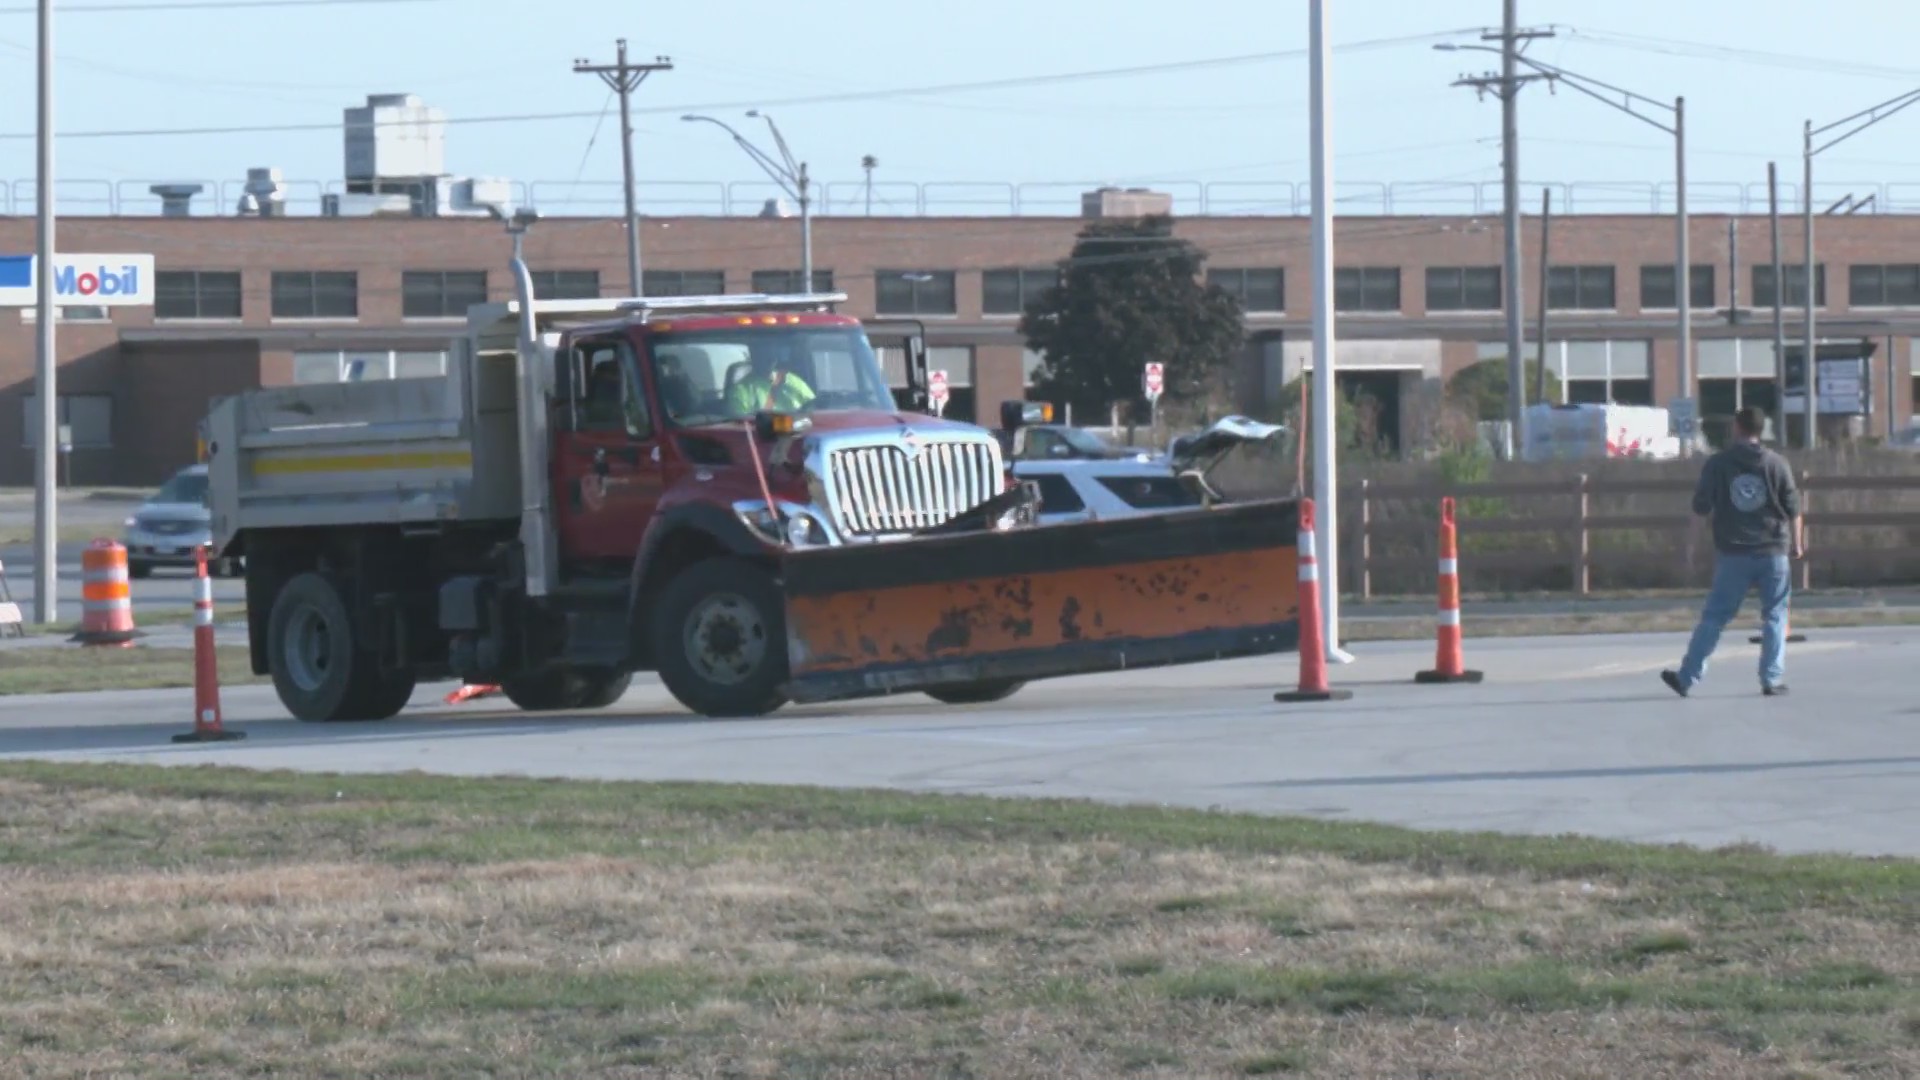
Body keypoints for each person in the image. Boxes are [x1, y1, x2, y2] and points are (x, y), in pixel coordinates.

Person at [1661, 405, 1803, 698]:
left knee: (1715, 616)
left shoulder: (1718, 464)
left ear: (1737, 427)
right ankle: (1771, 678)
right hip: (1773, 548)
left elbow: (1700, 508)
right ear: (1761, 430)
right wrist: (1798, 543)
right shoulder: (1777, 464)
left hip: (1734, 551)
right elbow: (1794, 509)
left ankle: (1687, 677)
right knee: (1775, 614)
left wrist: (1690, 547)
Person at [725, 343, 815, 416]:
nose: (770, 359)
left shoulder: (792, 380)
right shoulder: (741, 390)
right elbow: (742, 425)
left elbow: (813, 408)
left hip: (797, 430)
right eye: (764, 354)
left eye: (772, 354)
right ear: (754, 357)